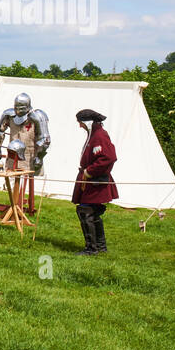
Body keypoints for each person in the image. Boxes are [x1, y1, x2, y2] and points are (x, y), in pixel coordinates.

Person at [71, 108, 118, 255]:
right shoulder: (95, 134)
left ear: (88, 122)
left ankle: (92, 249)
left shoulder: (99, 136)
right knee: (92, 212)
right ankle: (100, 247)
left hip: (95, 181)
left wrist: (89, 172)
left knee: (86, 212)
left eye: (80, 123)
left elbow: (108, 158)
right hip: (92, 180)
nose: (80, 126)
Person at [0, 92, 50, 171]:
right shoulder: (9, 115)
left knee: (28, 179)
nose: (19, 110)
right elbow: (0, 131)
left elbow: (45, 139)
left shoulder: (37, 117)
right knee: (10, 179)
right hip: (12, 156)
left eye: (21, 107)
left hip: (30, 156)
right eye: (17, 107)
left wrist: (39, 157)